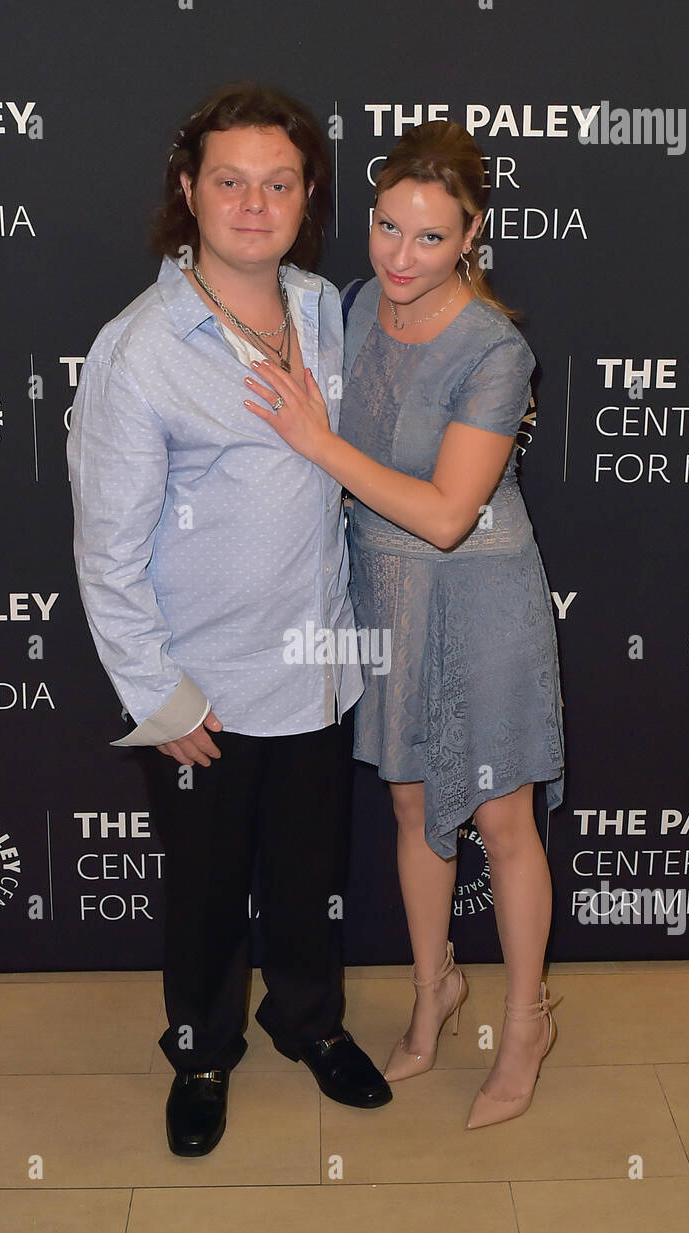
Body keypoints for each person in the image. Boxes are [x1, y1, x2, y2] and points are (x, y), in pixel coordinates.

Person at [67, 83, 391, 1159]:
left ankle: (307, 1021)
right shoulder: (142, 346)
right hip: (201, 685)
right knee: (206, 894)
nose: (255, 203)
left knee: (308, 877)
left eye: (280, 183)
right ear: (188, 190)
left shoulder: (321, 310)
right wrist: (158, 695)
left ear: (308, 197)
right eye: (231, 181)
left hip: (316, 666)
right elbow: (107, 549)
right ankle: (202, 1053)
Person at [243, 119, 565, 1131]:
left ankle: (526, 1021)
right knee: (410, 807)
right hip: (379, 597)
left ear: (471, 235)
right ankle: (435, 994)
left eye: (429, 238)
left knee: (502, 821)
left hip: (478, 595)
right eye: (387, 226)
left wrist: (313, 440)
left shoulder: (495, 351)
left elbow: (441, 512)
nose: (398, 255)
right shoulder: (349, 307)